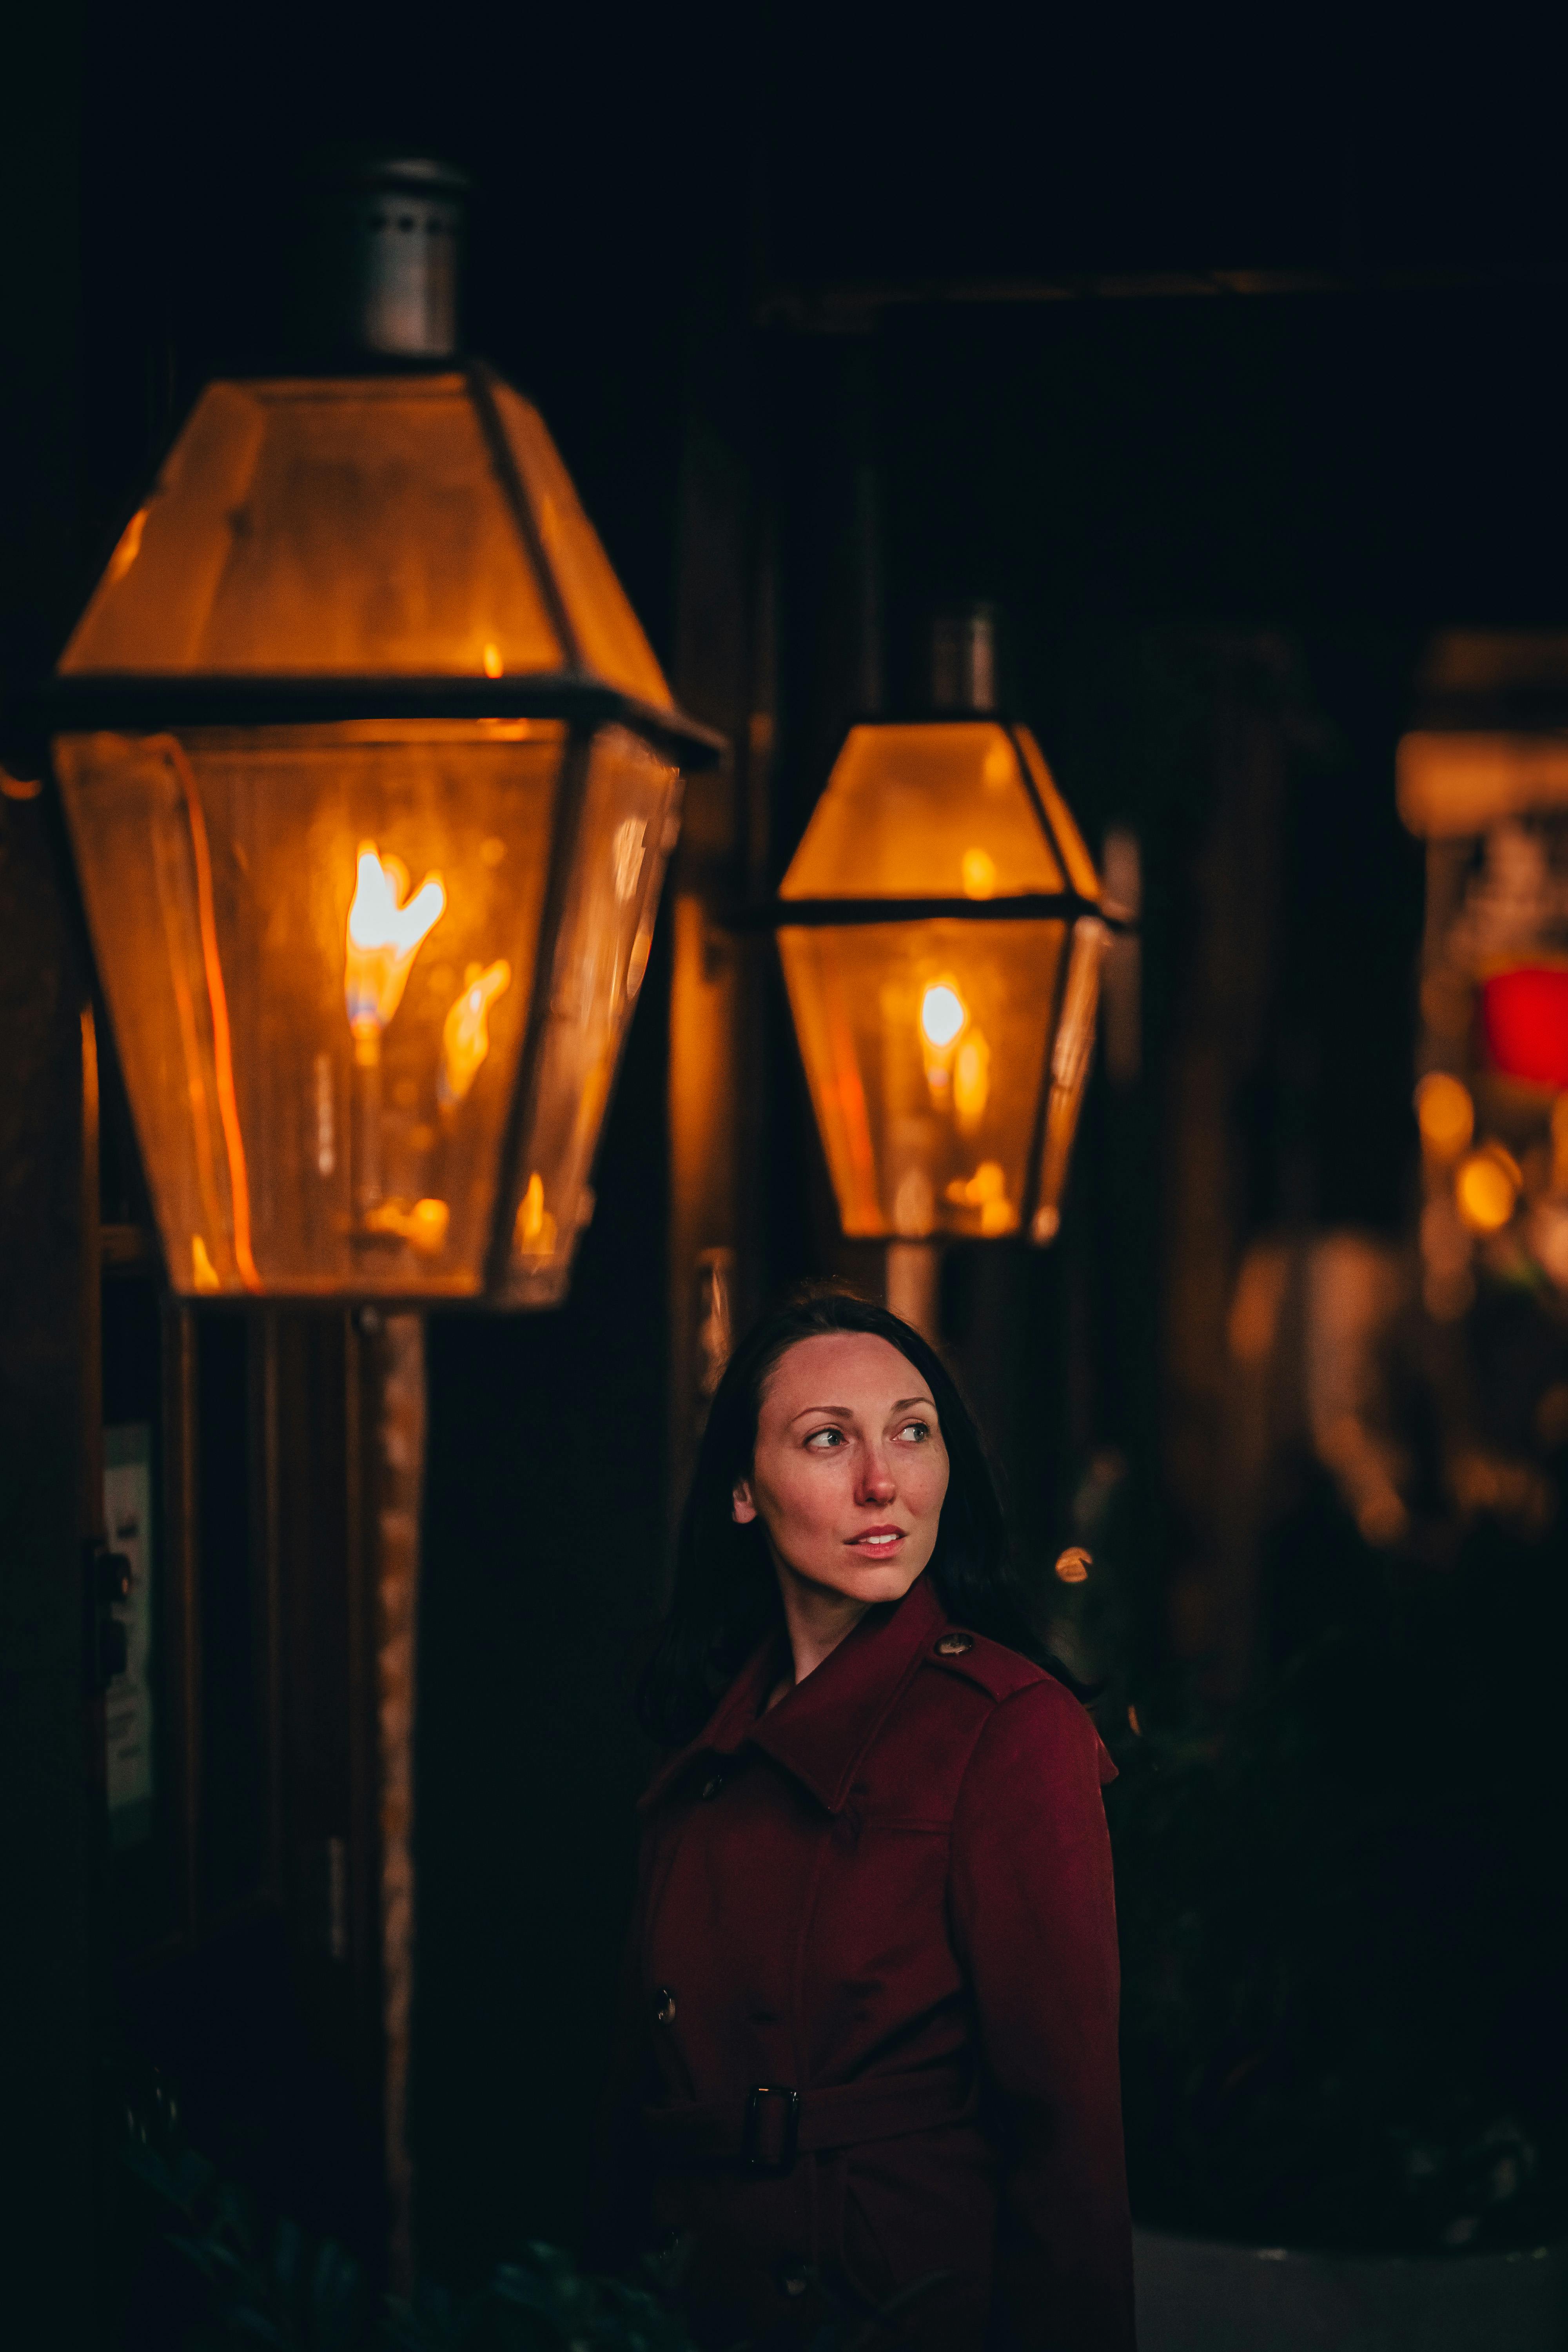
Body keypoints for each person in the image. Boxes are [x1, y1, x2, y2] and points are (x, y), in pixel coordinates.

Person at [592, 1288, 1134, 2350]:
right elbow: (628, 2114)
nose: (882, 1481)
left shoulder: (1010, 1730)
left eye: (912, 1432)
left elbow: (1067, 2141)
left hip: (891, 2301)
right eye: (828, 1439)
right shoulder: (705, 1738)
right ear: (744, 1490)